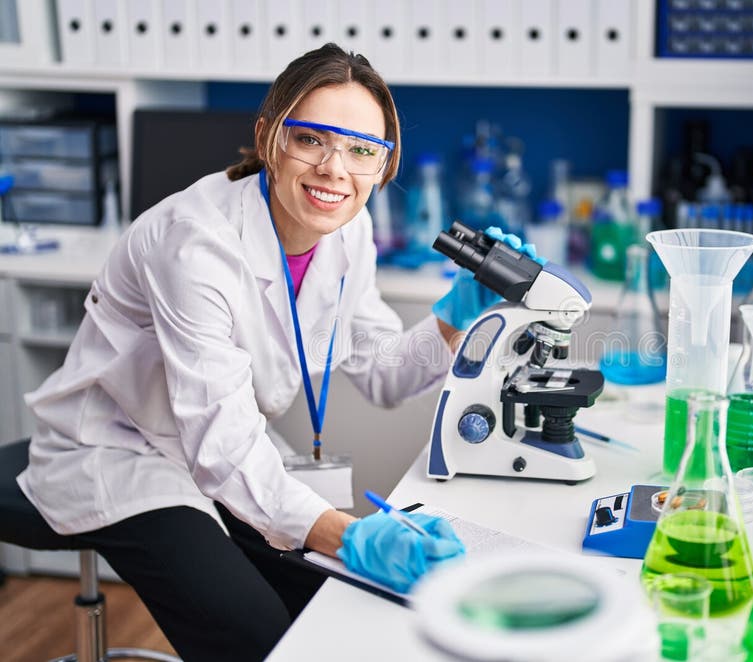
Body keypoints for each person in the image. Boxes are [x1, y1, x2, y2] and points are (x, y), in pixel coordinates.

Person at [9, 44, 522, 661]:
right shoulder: (194, 246)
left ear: (383, 168)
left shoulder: (347, 231)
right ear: (268, 136)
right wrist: (356, 538)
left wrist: (452, 314)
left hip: (225, 439)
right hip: (121, 450)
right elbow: (220, 448)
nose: (335, 168)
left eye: (362, 150)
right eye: (312, 139)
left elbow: (383, 372)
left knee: (334, 607)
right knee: (254, 636)